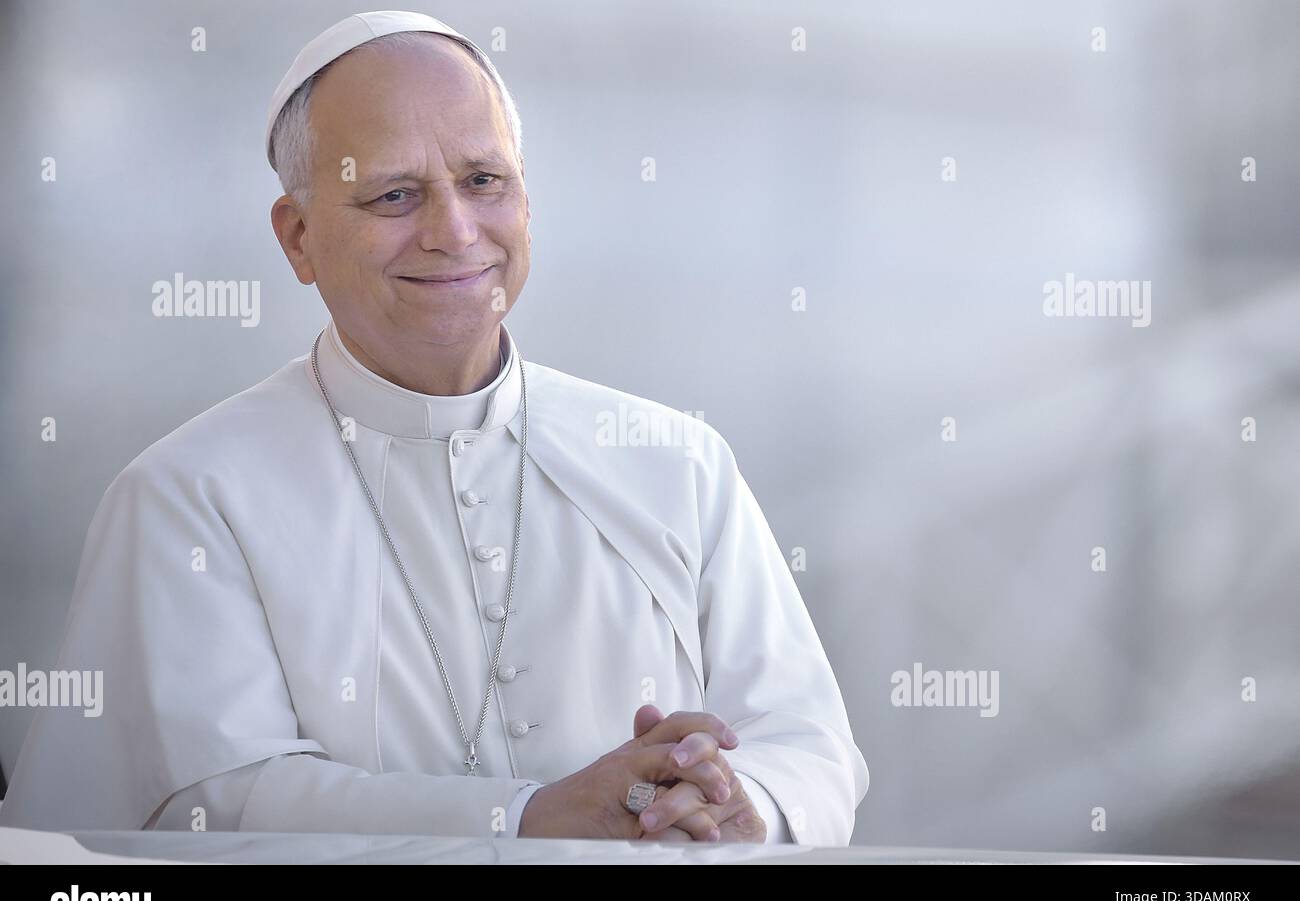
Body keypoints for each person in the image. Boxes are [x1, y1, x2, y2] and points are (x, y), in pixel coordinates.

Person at [0, 10, 868, 845]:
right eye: (393, 194)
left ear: (527, 202)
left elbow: (809, 747)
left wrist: (733, 801)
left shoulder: (679, 463)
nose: (454, 232)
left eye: (483, 180)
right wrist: (527, 815)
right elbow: (206, 799)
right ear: (298, 238)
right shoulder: (188, 497)